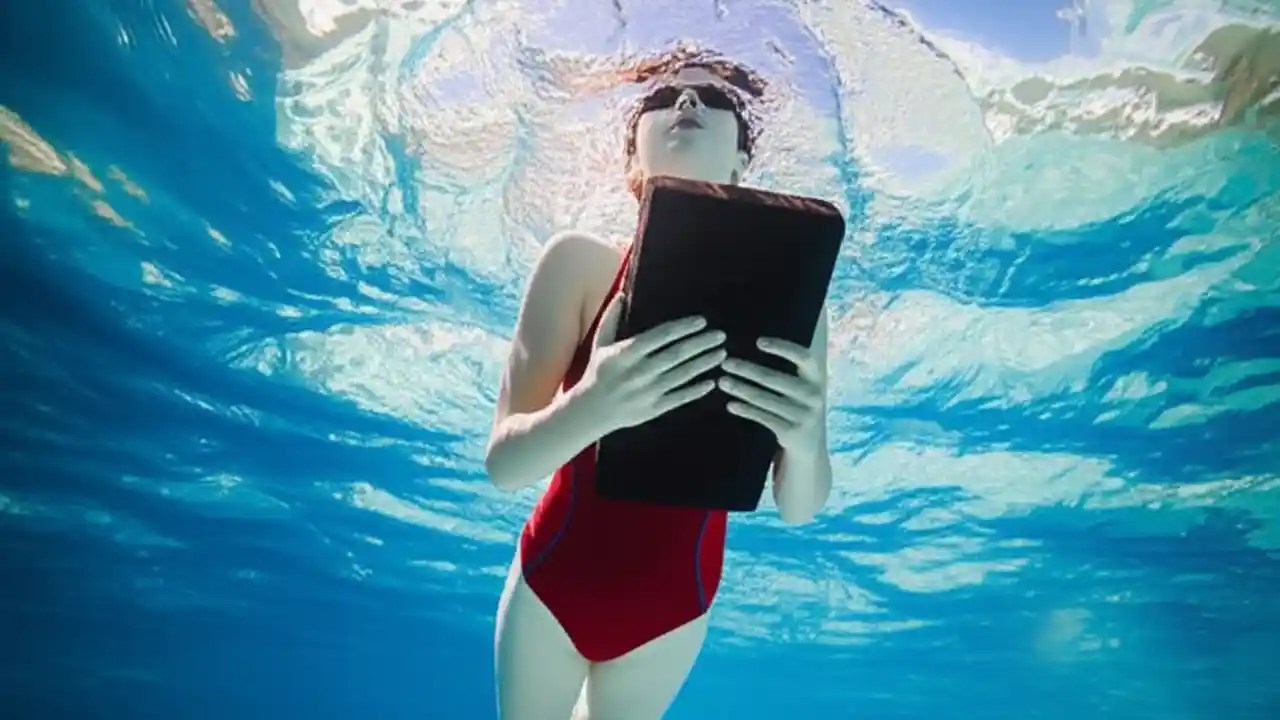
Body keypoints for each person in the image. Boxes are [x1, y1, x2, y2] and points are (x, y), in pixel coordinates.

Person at [484, 47, 834, 720]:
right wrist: (592, 406)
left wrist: (804, 434)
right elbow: (505, 464)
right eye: (662, 97)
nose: (687, 102)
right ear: (630, 165)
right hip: (551, 588)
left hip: (672, 617)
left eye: (715, 98)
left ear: (742, 162)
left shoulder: (799, 303)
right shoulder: (579, 266)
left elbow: (798, 505)